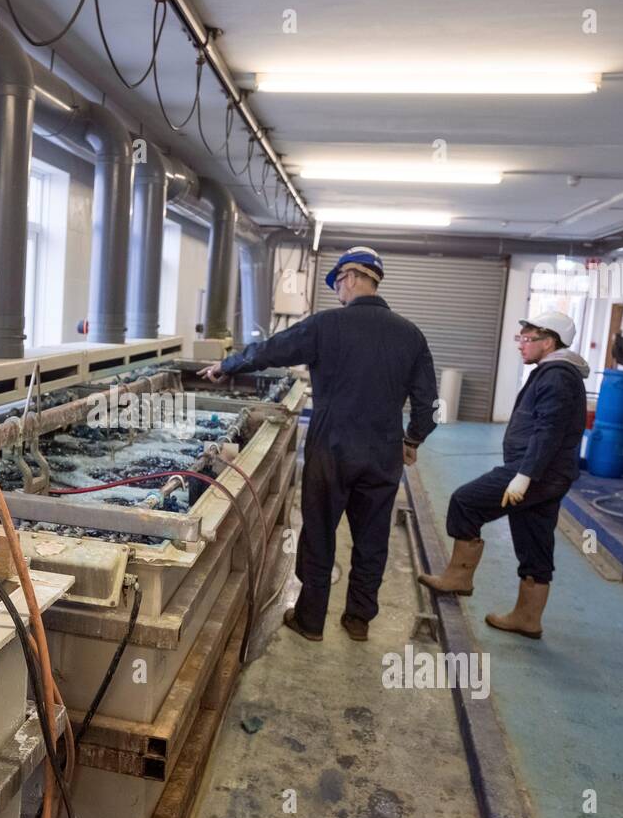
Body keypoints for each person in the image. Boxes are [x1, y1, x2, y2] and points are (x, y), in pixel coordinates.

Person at [198, 246, 438, 643]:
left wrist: (227, 365)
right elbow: (428, 405)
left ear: (349, 277)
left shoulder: (326, 326)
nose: (338, 292)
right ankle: (359, 620)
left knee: (320, 533)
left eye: (338, 283)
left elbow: (272, 350)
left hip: (332, 450)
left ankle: (311, 620)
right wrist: (412, 439)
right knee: (373, 538)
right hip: (382, 453)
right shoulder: (410, 335)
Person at [419, 311, 589, 639]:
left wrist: (524, 475)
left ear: (549, 342)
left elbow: (548, 430)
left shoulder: (556, 376)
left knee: (465, 502)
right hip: (549, 475)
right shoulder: (556, 373)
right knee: (534, 540)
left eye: (527, 339)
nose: (521, 345)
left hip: (537, 473)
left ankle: (458, 578)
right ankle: (528, 619)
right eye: (520, 338)